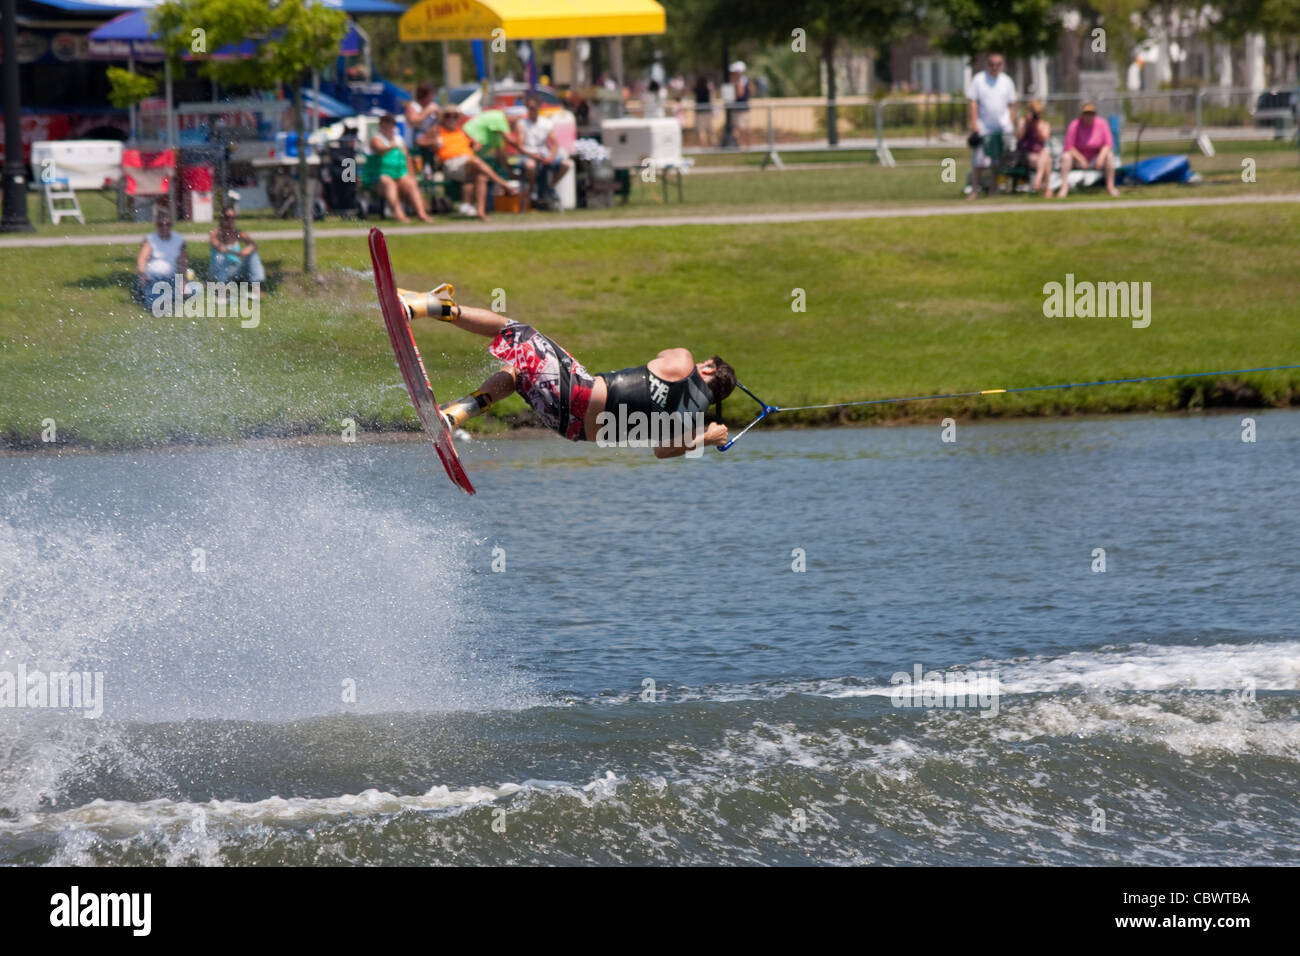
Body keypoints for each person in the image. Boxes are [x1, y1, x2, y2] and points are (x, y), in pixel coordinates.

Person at [398, 284, 736, 456]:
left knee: (518, 330)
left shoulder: (685, 361)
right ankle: (453, 416)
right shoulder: (688, 422)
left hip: (579, 394)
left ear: (708, 368)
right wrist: (705, 436)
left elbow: (665, 354)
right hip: (569, 428)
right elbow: (662, 452)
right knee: (518, 372)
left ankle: (424, 305)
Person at [432, 105, 520, 221]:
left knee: (481, 177)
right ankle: (505, 185)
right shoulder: (438, 130)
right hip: (451, 164)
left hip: (466, 162)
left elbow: (475, 143)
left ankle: (480, 212)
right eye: (448, 116)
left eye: (455, 116)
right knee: (476, 161)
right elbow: (420, 141)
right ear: (443, 118)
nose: (452, 119)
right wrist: (434, 142)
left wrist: (476, 144)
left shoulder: (461, 131)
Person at [965, 52, 1016, 199]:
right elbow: (973, 102)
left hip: (1001, 127)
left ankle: (993, 189)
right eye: (992, 64)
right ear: (987, 65)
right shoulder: (979, 80)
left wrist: (1010, 124)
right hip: (983, 127)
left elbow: (1012, 105)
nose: (995, 67)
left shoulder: (1006, 81)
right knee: (978, 160)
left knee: (996, 160)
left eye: (998, 64)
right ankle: (975, 189)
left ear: (1002, 65)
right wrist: (974, 124)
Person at [366, 114, 433, 223]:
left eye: (390, 123)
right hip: (381, 175)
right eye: (385, 123)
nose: (387, 126)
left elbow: (407, 159)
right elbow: (380, 149)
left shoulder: (399, 140)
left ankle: (422, 214)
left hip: (400, 173)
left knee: (411, 183)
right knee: (389, 184)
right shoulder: (376, 139)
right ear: (381, 125)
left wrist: (411, 175)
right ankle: (399, 214)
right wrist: (392, 145)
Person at [515, 93, 571, 207]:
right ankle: (534, 187)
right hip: (528, 154)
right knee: (530, 166)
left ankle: (550, 187)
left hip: (543, 154)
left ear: (539, 107)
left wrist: (551, 156)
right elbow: (520, 146)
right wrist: (533, 155)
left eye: (534, 107)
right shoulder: (522, 123)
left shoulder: (546, 123)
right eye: (530, 108)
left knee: (566, 164)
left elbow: (555, 143)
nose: (532, 110)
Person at [1056, 102, 1120, 198]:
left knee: (1109, 156)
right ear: (1082, 115)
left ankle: (1110, 186)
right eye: (1086, 114)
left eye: (1091, 114)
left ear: (1095, 114)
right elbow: (1069, 146)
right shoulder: (1075, 125)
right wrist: (1080, 158)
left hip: (1096, 157)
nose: (1088, 116)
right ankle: (1064, 186)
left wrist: (1101, 157)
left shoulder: (1102, 124)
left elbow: (1108, 144)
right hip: (1078, 158)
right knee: (1066, 157)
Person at [135, 207, 190, 309]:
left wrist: (183, 279)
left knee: (191, 291)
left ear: (171, 225)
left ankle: (169, 297)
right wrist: (142, 274)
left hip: (171, 278)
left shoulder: (178, 239)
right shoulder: (150, 239)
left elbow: (183, 261)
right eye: (161, 225)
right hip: (153, 278)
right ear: (157, 225)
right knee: (154, 305)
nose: (164, 227)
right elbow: (142, 259)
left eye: (167, 224)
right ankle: (157, 298)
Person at [208, 204, 265, 290]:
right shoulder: (215, 233)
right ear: (221, 218)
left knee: (253, 254)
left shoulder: (238, 233)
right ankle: (221, 289)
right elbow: (218, 246)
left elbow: (253, 244)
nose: (230, 220)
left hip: (236, 269)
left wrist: (248, 249)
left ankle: (257, 288)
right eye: (227, 217)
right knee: (220, 256)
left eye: (233, 217)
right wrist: (236, 253)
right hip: (220, 271)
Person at [1014, 99, 1053, 196]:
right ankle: (1047, 188)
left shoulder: (1044, 124)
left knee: (1045, 155)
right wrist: (1026, 124)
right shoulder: (1023, 122)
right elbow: (1018, 137)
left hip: (1039, 154)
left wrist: (1036, 126)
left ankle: (1038, 180)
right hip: (1024, 153)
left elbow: (1044, 138)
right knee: (1047, 159)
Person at [404, 83, 439, 153]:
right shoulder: (413, 106)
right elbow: (413, 121)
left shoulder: (432, 106)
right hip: (415, 147)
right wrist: (427, 111)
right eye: (431, 94)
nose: (433, 97)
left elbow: (440, 122)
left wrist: (438, 113)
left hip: (430, 147)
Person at [729, 61, 751, 148]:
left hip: (740, 108)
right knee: (742, 127)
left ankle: (741, 144)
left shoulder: (740, 81)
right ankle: (744, 144)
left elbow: (740, 94)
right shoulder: (745, 80)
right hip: (741, 107)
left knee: (740, 128)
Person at [693, 74, 714, 147]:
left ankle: (704, 145)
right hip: (707, 110)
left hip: (700, 111)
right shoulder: (707, 89)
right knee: (709, 128)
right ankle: (713, 143)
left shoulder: (698, 89)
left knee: (702, 129)